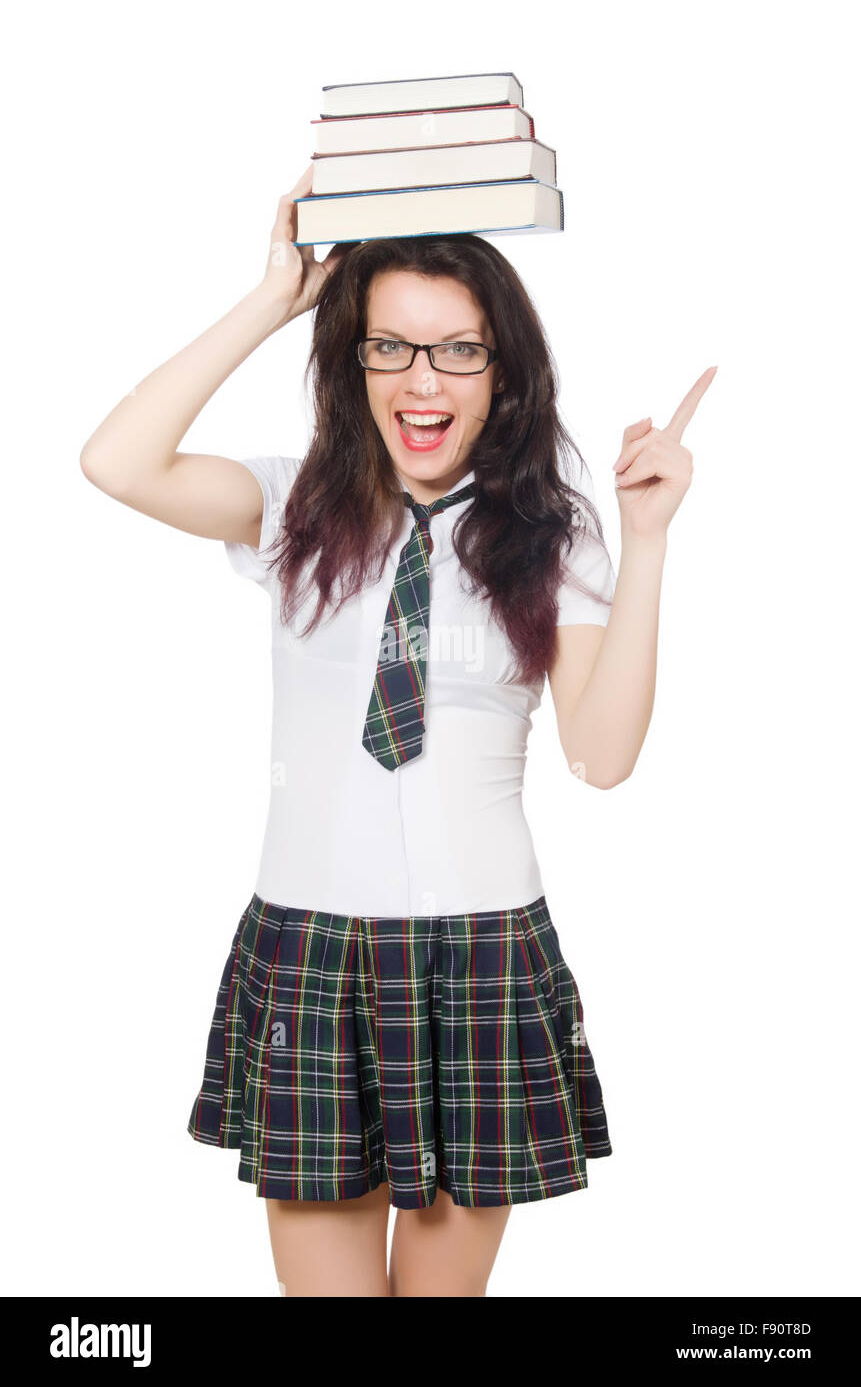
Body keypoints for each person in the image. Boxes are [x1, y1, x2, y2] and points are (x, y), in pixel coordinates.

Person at [80, 163, 715, 1298]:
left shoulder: (548, 538)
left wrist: (648, 538)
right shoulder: (293, 508)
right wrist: (273, 300)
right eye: (391, 347)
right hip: (313, 948)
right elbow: (116, 463)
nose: (424, 380)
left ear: (503, 374)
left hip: (480, 955)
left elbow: (603, 757)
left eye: (459, 350)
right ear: (353, 360)